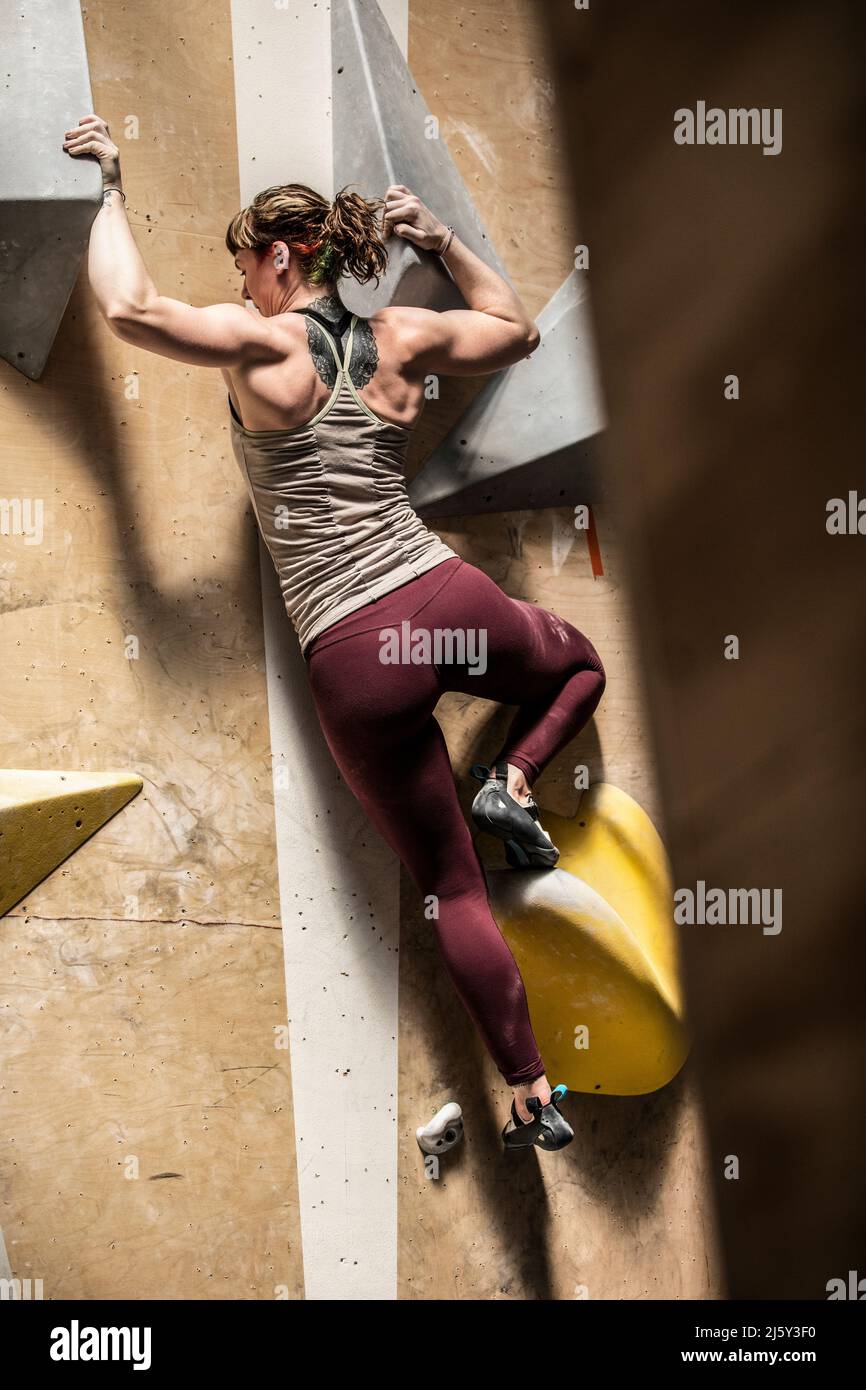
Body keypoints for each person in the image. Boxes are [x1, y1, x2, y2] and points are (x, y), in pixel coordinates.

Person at [63, 114, 606, 1149]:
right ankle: (517, 781)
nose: (237, 293)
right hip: (441, 599)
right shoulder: (401, 339)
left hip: (353, 660)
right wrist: (439, 241)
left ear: (279, 258)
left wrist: (110, 187)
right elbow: (519, 331)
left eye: (241, 273)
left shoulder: (262, 347)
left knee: (451, 885)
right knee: (575, 664)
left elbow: (129, 307)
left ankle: (530, 1084)